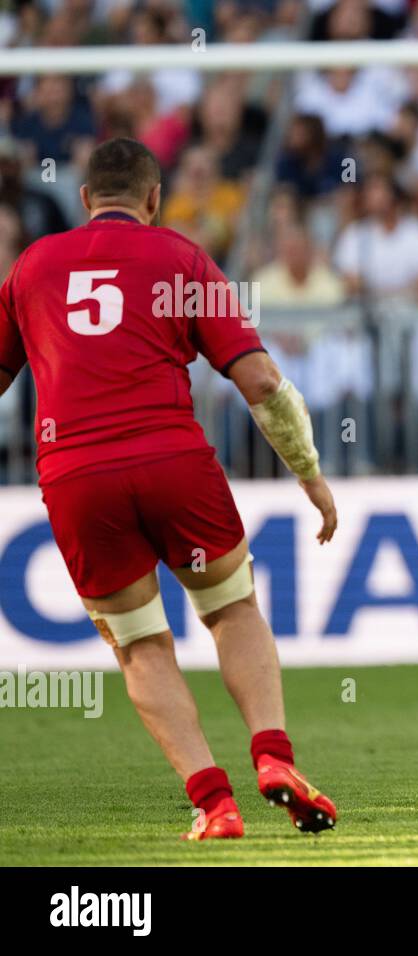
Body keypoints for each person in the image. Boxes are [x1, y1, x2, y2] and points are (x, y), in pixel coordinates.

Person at [0, 138, 339, 839]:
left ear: (86, 200)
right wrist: (308, 472)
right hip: (171, 462)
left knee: (140, 646)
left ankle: (213, 802)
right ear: (153, 201)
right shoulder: (180, 259)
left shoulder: (31, 266)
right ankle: (273, 757)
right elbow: (263, 383)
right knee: (231, 608)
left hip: (76, 476)